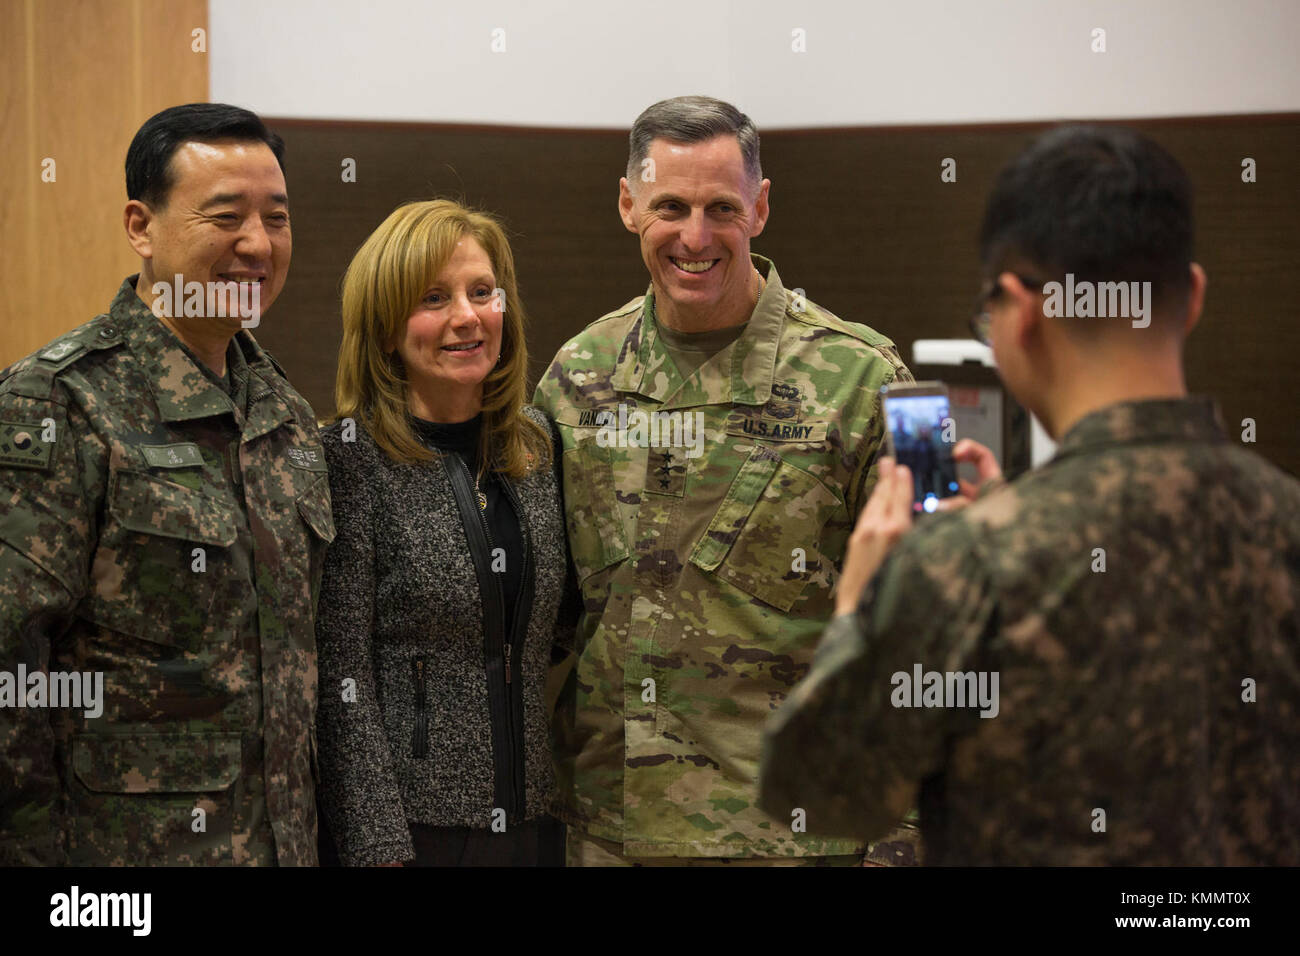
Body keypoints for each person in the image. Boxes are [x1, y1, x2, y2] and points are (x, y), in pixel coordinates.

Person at [758, 125, 1300, 865]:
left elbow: (818, 792)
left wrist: (858, 609)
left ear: (1021, 312)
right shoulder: (1285, 521)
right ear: (1194, 297)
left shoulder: (967, 564)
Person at [534, 95, 916, 866]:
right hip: (606, 832)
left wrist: (902, 846)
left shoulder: (873, 381)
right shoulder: (576, 378)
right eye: (670, 207)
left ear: (761, 208)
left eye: (722, 209)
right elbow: (547, 618)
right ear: (628, 205)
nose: (695, 237)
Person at [0, 103, 331, 865]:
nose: (257, 244)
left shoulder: (284, 411)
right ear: (140, 226)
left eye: (276, 218)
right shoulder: (57, 403)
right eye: (226, 216)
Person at [315, 199, 574, 867]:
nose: (467, 316)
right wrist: (377, 846)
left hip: (536, 822)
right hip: (415, 832)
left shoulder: (538, 448)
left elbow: (556, 633)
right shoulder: (348, 460)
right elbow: (340, 678)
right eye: (434, 298)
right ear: (385, 329)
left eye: (482, 292)